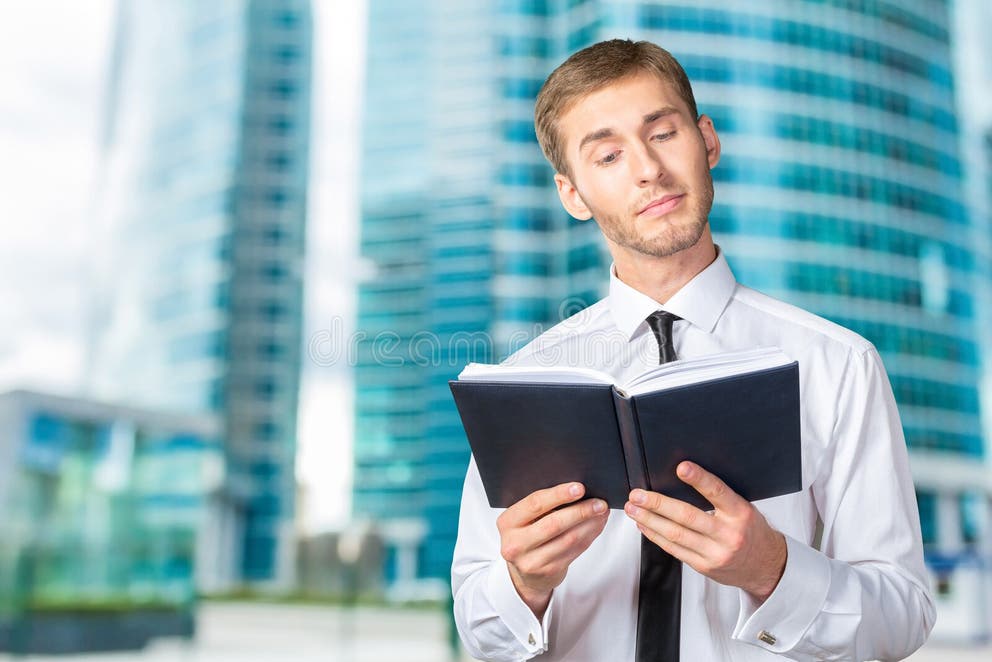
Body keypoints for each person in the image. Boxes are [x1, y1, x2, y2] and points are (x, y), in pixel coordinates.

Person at [451, 39, 935, 661]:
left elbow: (903, 615)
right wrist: (524, 583)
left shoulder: (838, 365)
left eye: (663, 133)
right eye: (608, 155)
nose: (647, 169)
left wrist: (774, 570)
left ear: (707, 141)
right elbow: (477, 625)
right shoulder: (524, 383)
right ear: (573, 195)